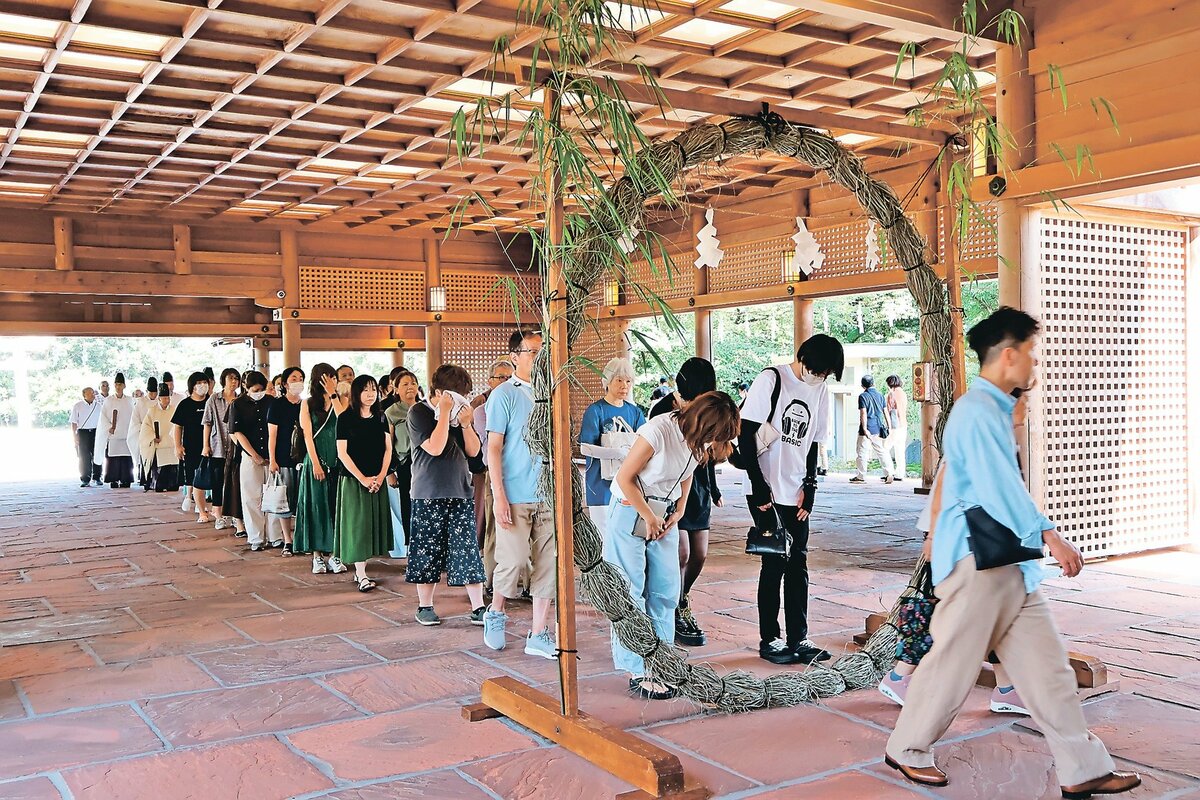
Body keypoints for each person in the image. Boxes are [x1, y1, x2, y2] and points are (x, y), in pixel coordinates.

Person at [883, 308, 1140, 798]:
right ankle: (908, 748)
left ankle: (1082, 767)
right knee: (952, 664)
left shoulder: (991, 409)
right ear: (1008, 355)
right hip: (977, 565)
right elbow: (999, 489)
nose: (1035, 366)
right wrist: (1049, 534)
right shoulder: (977, 411)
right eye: (1031, 354)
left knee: (1049, 671)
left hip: (1008, 568)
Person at [879, 387, 1033, 717]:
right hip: (962, 538)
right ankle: (901, 676)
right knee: (959, 612)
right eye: (1026, 401)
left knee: (985, 612)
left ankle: (1005, 688)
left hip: (965, 536)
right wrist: (936, 537)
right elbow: (950, 481)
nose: (1029, 409)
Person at [608, 391, 740, 700]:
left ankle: (662, 660)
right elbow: (626, 477)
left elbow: (688, 472)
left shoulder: (698, 441)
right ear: (704, 424)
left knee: (666, 590)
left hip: (664, 514)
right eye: (717, 436)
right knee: (631, 590)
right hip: (632, 509)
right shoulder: (658, 430)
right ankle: (637, 668)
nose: (716, 443)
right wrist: (648, 515)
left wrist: (679, 508)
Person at [740, 335, 844, 666]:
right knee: (774, 562)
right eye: (818, 370)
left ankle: (799, 636)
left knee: (798, 563)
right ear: (803, 358)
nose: (820, 376)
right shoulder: (771, 379)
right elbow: (744, 434)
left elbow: (813, 441)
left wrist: (810, 486)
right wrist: (759, 487)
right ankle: (770, 638)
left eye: (827, 373)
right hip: (767, 488)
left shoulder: (821, 389)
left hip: (796, 488)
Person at [482, 330, 557, 660]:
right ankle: (496, 612)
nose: (539, 358)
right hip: (514, 493)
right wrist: (499, 496)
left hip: (548, 493)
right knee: (511, 562)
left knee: (548, 565)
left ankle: (539, 632)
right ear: (515, 356)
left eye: (543, 352)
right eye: (532, 352)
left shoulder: (552, 394)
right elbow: (493, 449)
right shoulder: (503, 394)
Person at [405, 364, 487, 623]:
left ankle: (478, 607)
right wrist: (443, 413)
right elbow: (436, 447)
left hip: (461, 491)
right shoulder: (418, 412)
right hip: (427, 492)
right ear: (439, 392)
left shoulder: (459, 416)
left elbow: (474, 452)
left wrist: (465, 425)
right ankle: (425, 606)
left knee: (467, 549)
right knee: (426, 550)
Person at [649, 358, 721, 648]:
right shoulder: (662, 410)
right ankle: (674, 611)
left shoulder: (713, 407)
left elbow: (713, 454)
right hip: (670, 487)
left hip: (698, 487)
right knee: (681, 553)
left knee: (699, 554)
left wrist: (714, 489)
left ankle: (682, 597)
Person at [334, 375, 393, 592]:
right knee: (357, 526)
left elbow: (388, 449)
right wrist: (363, 478)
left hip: (377, 480)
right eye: (366, 390)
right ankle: (360, 574)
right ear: (356, 393)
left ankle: (363, 570)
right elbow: (342, 453)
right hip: (353, 481)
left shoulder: (380, 417)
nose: (371, 394)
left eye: (374, 390)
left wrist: (381, 475)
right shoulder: (345, 418)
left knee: (370, 525)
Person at [579, 357, 644, 537]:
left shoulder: (635, 412)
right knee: (605, 536)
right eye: (619, 380)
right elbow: (585, 448)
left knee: (626, 536)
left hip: (629, 484)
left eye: (628, 381)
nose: (625, 385)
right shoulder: (596, 410)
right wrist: (616, 453)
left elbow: (644, 443)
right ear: (607, 381)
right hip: (600, 485)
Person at [296, 364, 347, 574]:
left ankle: (336, 554)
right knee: (316, 507)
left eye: (332, 377)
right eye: (325, 378)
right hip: (316, 460)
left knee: (338, 507)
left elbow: (344, 421)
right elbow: (307, 435)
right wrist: (315, 463)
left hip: (338, 460)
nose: (329, 381)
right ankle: (317, 556)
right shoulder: (307, 404)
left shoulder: (341, 400)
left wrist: (333, 394)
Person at [472, 359, 515, 592]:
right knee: (494, 527)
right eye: (501, 377)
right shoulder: (481, 409)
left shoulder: (520, 400)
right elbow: (493, 445)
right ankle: (490, 580)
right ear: (490, 381)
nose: (507, 381)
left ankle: (524, 581)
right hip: (493, 472)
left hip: (520, 473)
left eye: (510, 377)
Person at [230, 371, 279, 552]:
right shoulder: (238, 405)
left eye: (262, 389)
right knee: (251, 496)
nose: (259, 392)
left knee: (274, 495)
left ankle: (276, 535)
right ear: (246, 387)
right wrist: (254, 455)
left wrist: (271, 455)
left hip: (272, 456)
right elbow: (236, 432)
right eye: (255, 389)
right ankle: (256, 537)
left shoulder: (272, 402)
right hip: (250, 456)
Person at [263, 366, 305, 556]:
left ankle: (302, 539)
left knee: (303, 500)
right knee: (284, 501)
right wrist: (272, 459)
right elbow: (272, 434)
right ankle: (288, 540)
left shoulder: (306, 405)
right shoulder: (277, 405)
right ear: (286, 383)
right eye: (294, 378)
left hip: (304, 459)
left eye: (301, 378)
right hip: (283, 459)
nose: (298, 381)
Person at [384, 369, 421, 559]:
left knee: (425, 504)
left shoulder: (425, 408)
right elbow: (387, 444)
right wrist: (390, 471)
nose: (410, 387)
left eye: (413, 383)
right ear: (396, 389)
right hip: (405, 463)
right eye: (405, 384)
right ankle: (411, 548)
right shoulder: (391, 412)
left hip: (425, 463)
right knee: (408, 505)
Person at [203, 368, 241, 532]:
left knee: (234, 482)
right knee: (217, 481)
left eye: (236, 379)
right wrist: (206, 445)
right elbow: (207, 423)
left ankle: (234, 515)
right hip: (218, 445)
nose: (234, 382)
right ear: (223, 380)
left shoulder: (241, 399)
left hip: (237, 447)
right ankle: (218, 515)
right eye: (231, 378)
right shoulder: (214, 399)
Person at [172, 372, 213, 523]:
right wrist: (178, 446)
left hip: (210, 446)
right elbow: (178, 427)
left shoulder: (211, 401)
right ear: (192, 386)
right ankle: (195, 502)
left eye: (205, 382)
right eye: (199, 383)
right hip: (190, 445)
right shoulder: (185, 404)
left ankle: (205, 505)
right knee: (193, 476)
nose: (203, 385)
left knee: (208, 476)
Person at [852, 374, 895, 484]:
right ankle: (889, 473)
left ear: (862, 385)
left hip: (867, 428)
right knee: (881, 451)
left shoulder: (863, 396)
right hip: (879, 427)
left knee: (862, 452)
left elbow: (863, 413)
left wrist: (865, 429)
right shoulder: (880, 395)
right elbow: (885, 411)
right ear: (873, 383)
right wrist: (889, 427)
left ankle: (861, 476)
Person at [140, 389, 180, 492]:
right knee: (160, 469)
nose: (167, 400)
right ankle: (158, 485)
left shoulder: (174, 409)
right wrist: (153, 436)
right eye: (165, 398)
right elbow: (146, 427)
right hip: (159, 444)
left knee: (172, 468)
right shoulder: (152, 410)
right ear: (159, 399)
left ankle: (172, 485)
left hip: (171, 443)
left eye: (168, 398)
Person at [101, 373, 135, 488]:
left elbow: (134, 416)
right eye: (116, 384)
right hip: (114, 433)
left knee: (126, 458)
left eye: (120, 384)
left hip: (127, 433)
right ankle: (113, 479)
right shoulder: (108, 400)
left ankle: (126, 479)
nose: (118, 387)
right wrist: (108, 427)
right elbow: (103, 417)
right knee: (113, 458)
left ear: (124, 386)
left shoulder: (130, 400)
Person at [69, 387, 102, 487]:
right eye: (90, 393)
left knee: (97, 455)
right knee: (84, 456)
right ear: (84, 395)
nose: (93, 395)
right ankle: (85, 478)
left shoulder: (99, 406)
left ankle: (97, 477)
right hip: (83, 432)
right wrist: (74, 436)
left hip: (96, 431)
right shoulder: (77, 406)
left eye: (93, 393)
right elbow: (74, 422)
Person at [127, 377, 158, 485]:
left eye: (155, 392)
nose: (153, 395)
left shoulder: (160, 401)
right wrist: (144, 429)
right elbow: (135, 420)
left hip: (158, 434)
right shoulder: (141, 402)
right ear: (147, 391)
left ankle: (156, 480)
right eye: (151, 392)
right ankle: (145, 479)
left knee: (156, 458)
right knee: (145, 456)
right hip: (144, 434)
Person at [886, 375, 909, 481]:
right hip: (903, 424)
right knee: (900, 450)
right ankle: (900, 473)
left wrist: (888, 425)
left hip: (895, 425)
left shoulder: (891, 394)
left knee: (884, 448)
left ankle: (889, 472)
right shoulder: (903, 394)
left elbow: (889, 410)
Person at [91, 379, 110, 485]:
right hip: (99, 427)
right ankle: (97, 476)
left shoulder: (112, 398)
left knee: (109, 453)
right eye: (103, 385)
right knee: (98, 451)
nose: (105, 387)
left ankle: (108, 474)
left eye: (107, 385)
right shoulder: (96, 399)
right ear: (99, 387)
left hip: (110, 428)